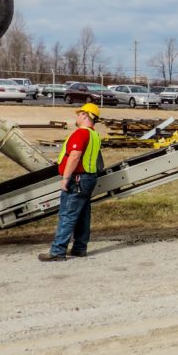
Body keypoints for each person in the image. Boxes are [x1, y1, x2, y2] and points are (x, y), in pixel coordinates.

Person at [38, 102, 104, 261]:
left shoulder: (81, 133)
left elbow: (75, 156)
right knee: (82, 215)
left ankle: (57, 251)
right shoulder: (94, 135)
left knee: (67, 214)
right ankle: (80, 248)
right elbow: (82, 155)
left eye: (79, 114)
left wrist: (66, 178)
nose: (77, 117)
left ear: (85, 115)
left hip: (77, 179)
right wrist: (60, 161)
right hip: (89, 178)